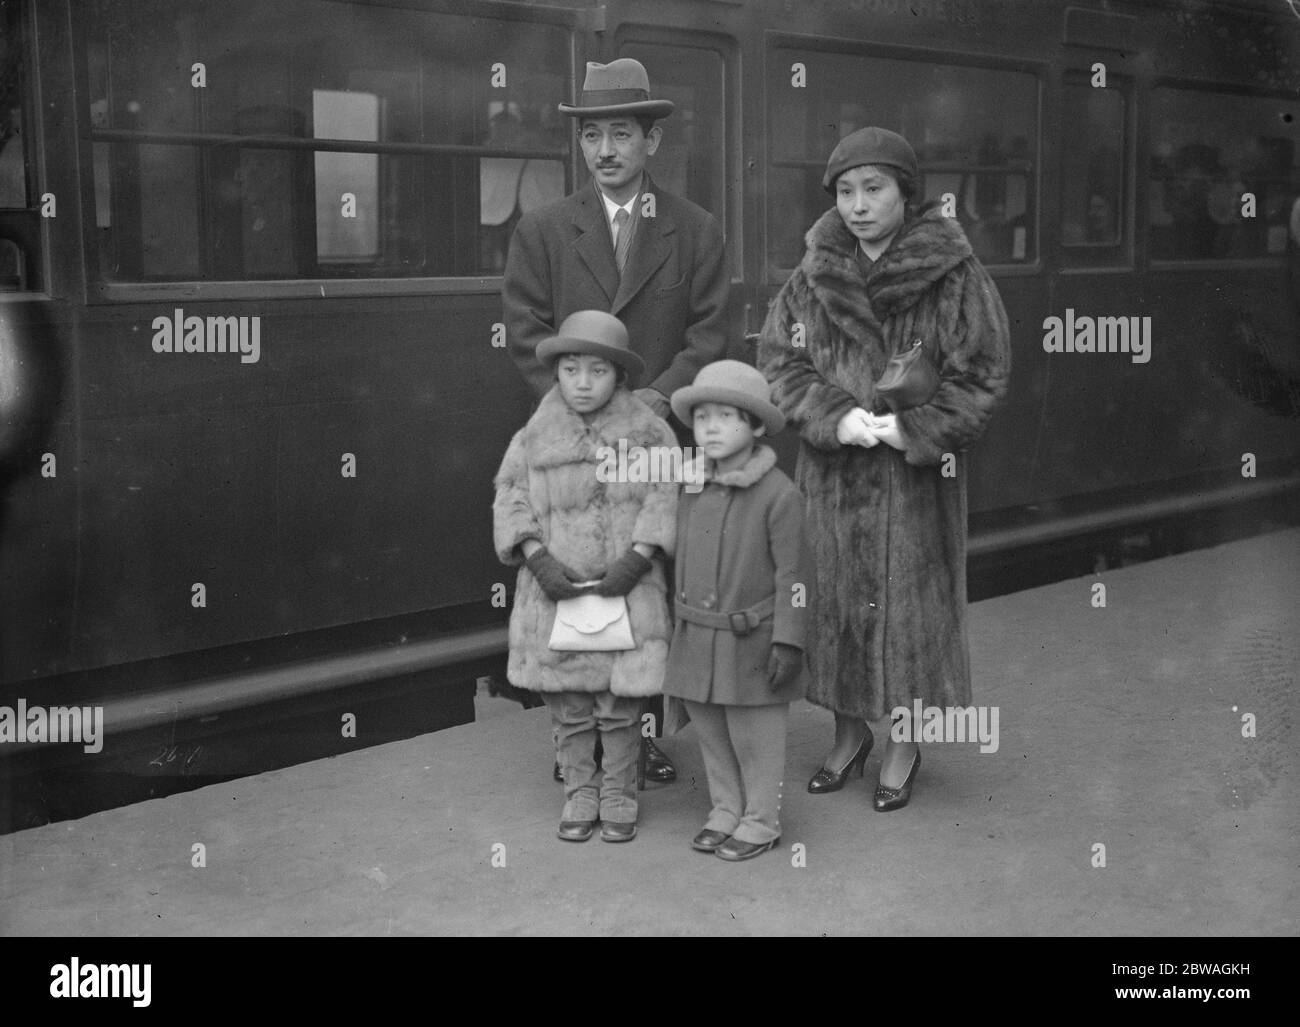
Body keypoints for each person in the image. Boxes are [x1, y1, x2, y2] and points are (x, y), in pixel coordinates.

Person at [758, 126, 1011, 811]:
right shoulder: (812, 273)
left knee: (909, 615)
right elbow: (780, 360)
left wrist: (914, 427)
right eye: (845, 191)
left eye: (874, 188)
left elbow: (983, 373)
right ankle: (847, 736)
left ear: (907, 192)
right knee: (833, 606)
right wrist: (833, 414)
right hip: (833, 479)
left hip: (914, 481)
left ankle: (903, 742)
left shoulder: (954, 273)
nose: (858, 205)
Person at [503, 57, 730, 782]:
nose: (605, 150)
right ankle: (576, 740)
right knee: (573, 580)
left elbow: (709, 335)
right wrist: (580, 415)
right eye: (592, 134)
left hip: (657, 446)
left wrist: (650, 404)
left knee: (647, 586)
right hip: (569, 450)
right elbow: (525, 334)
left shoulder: (694, 231)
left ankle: (640, 737)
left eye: (622, 133)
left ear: (651, 143)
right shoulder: (542, 230)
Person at [493, 310, 677, 843]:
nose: (582, 382)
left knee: (621, 707)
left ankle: (619, 792)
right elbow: (511, 496)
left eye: (597, 371)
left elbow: (664, 497)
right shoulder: (535, 433)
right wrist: (538, 559)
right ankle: (580, 791)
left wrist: (637, 559)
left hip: (628, 590)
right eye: (571, 370)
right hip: (555, 593)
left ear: (619, 375)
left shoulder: (649, 432)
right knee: (570, 706)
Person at [663, 361, 809, 861]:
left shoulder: (779, 494)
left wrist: (789, 640)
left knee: (755, 738)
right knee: (711, 732)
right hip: (697, 638)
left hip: (752, 640)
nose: (712, 428)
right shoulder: (690, 485)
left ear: (757, 426)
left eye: (727, 417)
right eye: (702, 418)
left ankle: (760, 820)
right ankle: (725, 810)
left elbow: (795, 577)